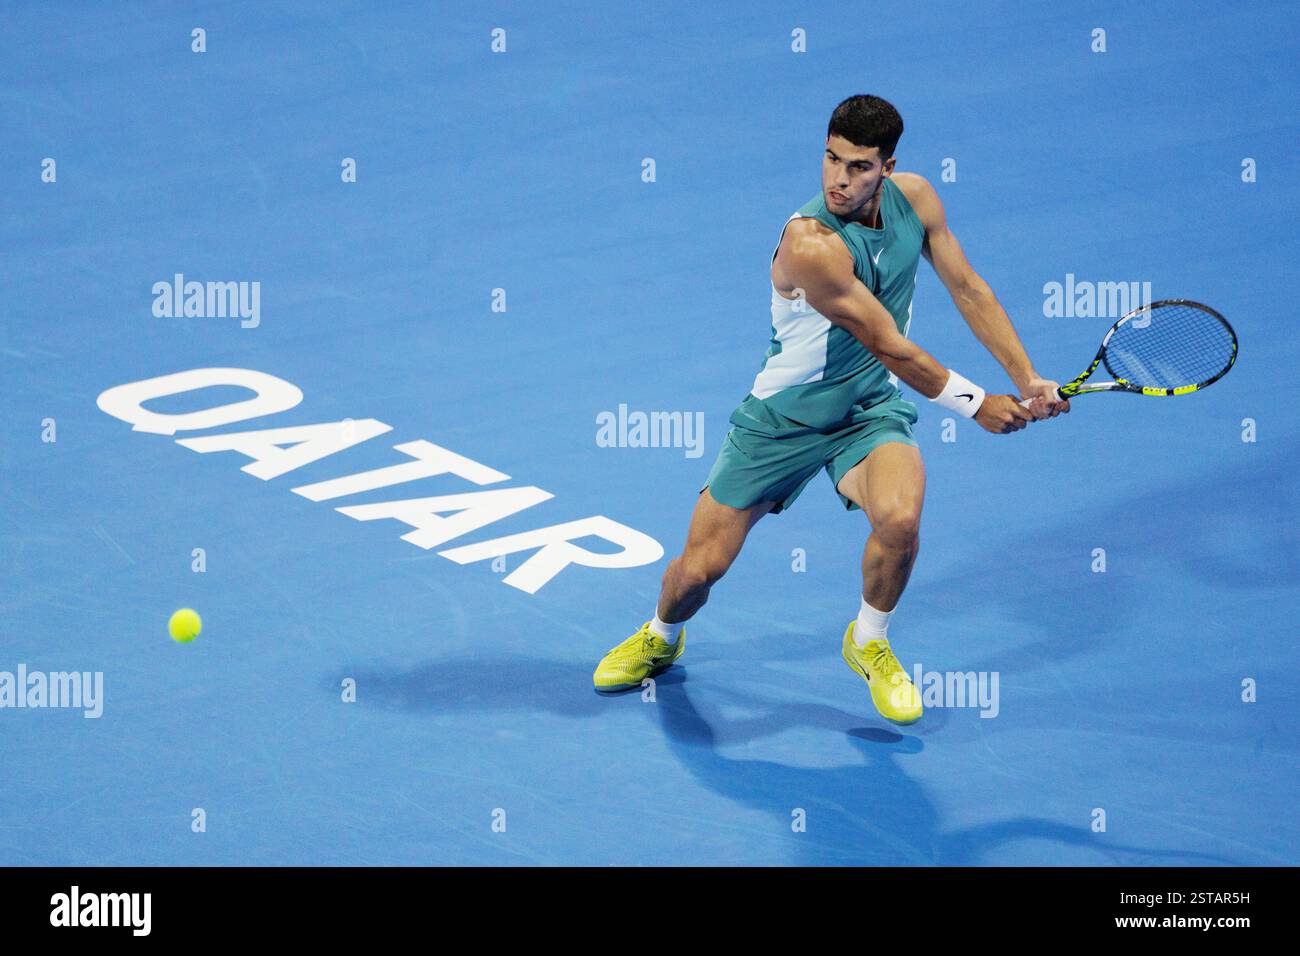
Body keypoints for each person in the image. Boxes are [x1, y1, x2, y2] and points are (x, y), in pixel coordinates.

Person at [593, 94, 1068, 724]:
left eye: (858, 167)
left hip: (868, 409)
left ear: (887, 167)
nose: (839, 179)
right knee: (698, 573)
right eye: (830, 159)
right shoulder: (810, 245)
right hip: (780, 422)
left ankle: (868, 640)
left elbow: (968, 288)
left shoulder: (918, 200)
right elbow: (888, 343)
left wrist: (1026, 376)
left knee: (900, 521)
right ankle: (661, 633)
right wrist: (976, 402)